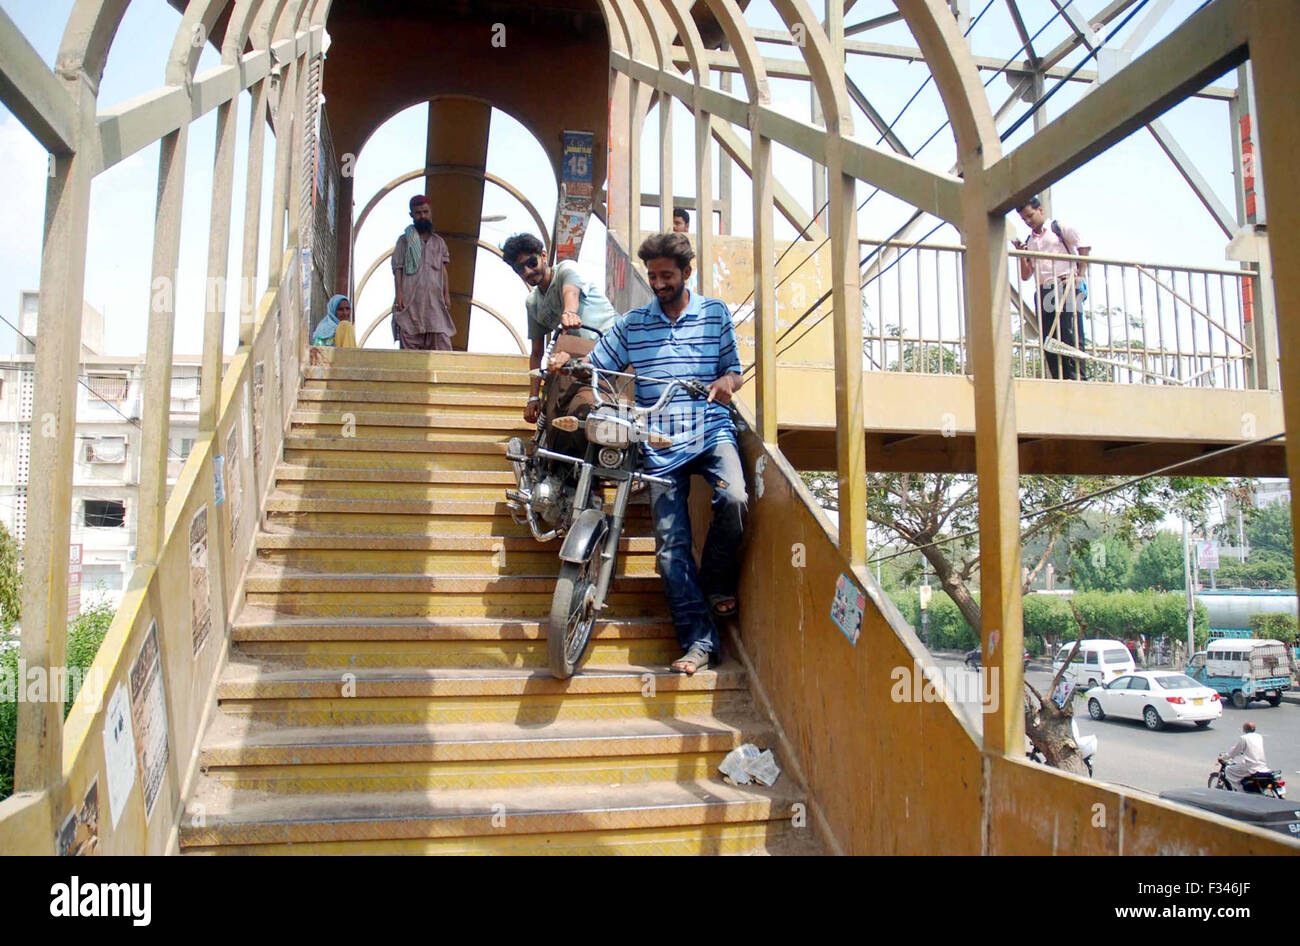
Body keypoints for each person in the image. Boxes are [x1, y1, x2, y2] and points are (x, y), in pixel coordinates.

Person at [550, 231, 744, 676]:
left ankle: (714, 577)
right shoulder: (633, 323)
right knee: (670, 551)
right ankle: (698, 642)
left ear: (686, 273)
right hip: (658, 442)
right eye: (652, 276)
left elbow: (734, 370)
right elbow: (599, 359)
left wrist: (725, 385)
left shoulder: (714, 314)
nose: (658, 283)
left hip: (711, 429)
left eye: (666, 276)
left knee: (734, 498)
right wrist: (571, 360)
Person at [502, 232, 620, 424]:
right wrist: (533, 397)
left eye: (531, 263)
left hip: (611, 350)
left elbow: (570, 293)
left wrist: (570, 313)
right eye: (520, 269)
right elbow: (536, 353)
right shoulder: (533, 303)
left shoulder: (566, 269)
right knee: (558, 411)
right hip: (578, 364)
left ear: (543, 255)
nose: (528, 272)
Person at [1014, 196, 1091, 380]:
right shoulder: (1030, 241)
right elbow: (1026, 275)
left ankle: (1077, 377)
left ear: (1040, 210)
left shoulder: (1058, 228)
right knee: (1050, 338)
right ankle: (1058, 377)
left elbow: (1084, 245)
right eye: (1024, 219)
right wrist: (1021, 254)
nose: (1028, 222)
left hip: (1066, 285)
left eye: (1030, 216)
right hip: (1044, 290)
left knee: (1070, 333)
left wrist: (1080, 274)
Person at [391, 194, 454, 350]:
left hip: (435, 302)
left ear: (430, 212)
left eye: (425, 212)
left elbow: (443, 270)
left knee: (441, 342)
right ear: (412, 215)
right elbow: (397, 268)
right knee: (409, 345)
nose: (422, 216)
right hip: (411, 299)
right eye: (418, 213)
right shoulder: (404, 241)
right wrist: (399, 293)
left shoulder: (438, 242)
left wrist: (447, 295)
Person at [1220, 721, 1268, 791]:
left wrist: (1224, 757)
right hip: (1261, 765)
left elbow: (1235, 751)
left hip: (1251, 766)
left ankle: (1240, 790)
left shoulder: (1244, 738)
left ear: (1245, 729)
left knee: (1228, 770)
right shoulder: (1259, 736)